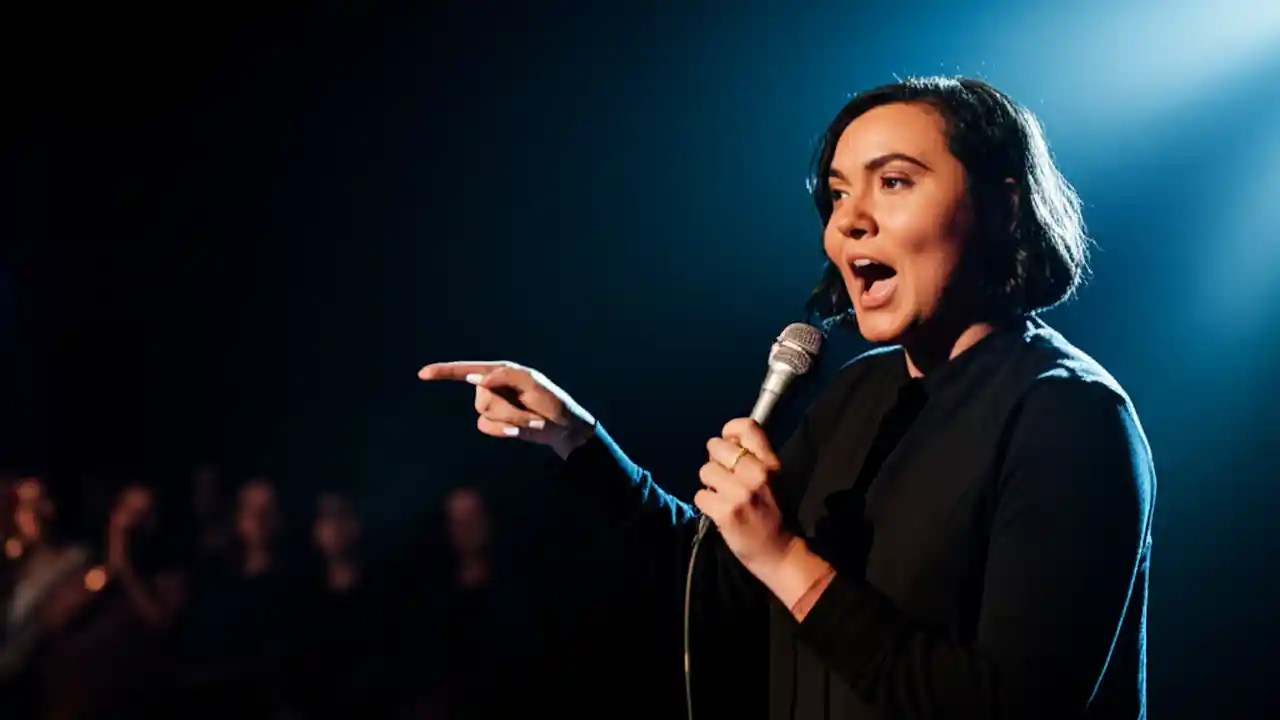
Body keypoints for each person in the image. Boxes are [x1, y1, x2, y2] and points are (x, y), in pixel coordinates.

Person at [417, 76, 1155, 719]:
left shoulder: (1070, 415)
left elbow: (1012, 705)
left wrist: (783, 557)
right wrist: (576, 441)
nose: (849, 219)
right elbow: (718, 577)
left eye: (894, 182)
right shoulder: (861, 392)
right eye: (838, 193)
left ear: (1003, 208)